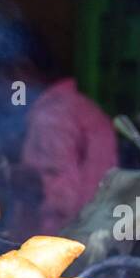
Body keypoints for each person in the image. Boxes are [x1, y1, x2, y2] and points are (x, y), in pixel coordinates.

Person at [9, 25, 117, 237]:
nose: (8, 88)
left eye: (11, 78)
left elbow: (60, 197)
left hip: (61, 241)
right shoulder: (81, 106)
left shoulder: (51, 117)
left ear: (25, 71)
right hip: (95, 233)